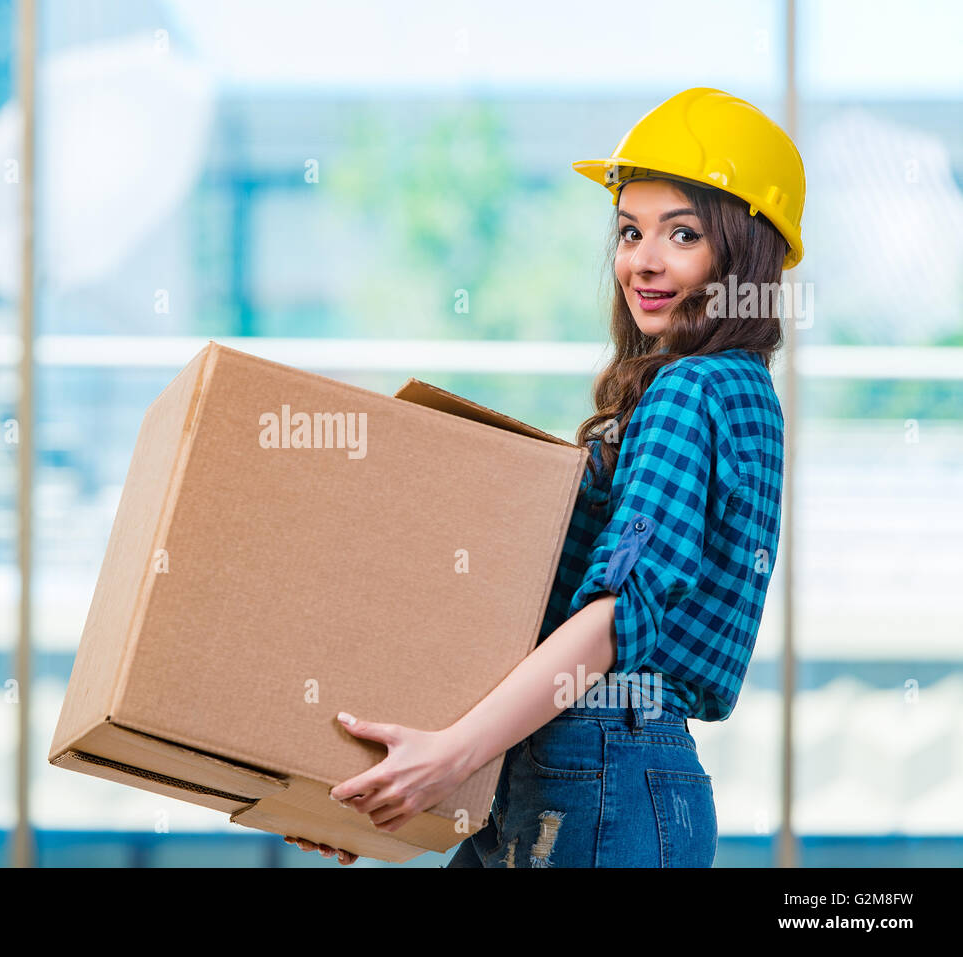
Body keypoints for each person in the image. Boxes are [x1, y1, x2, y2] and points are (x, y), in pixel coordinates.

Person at [286, 87, 803, 867]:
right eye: (630, 231)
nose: (642, 260)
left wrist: (451, 755)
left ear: (745, 256)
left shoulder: (693, 389)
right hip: (588, 762)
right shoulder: (740, 395)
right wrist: (391, 784)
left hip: (600, 765)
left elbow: (615, 615)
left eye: (683, 233)